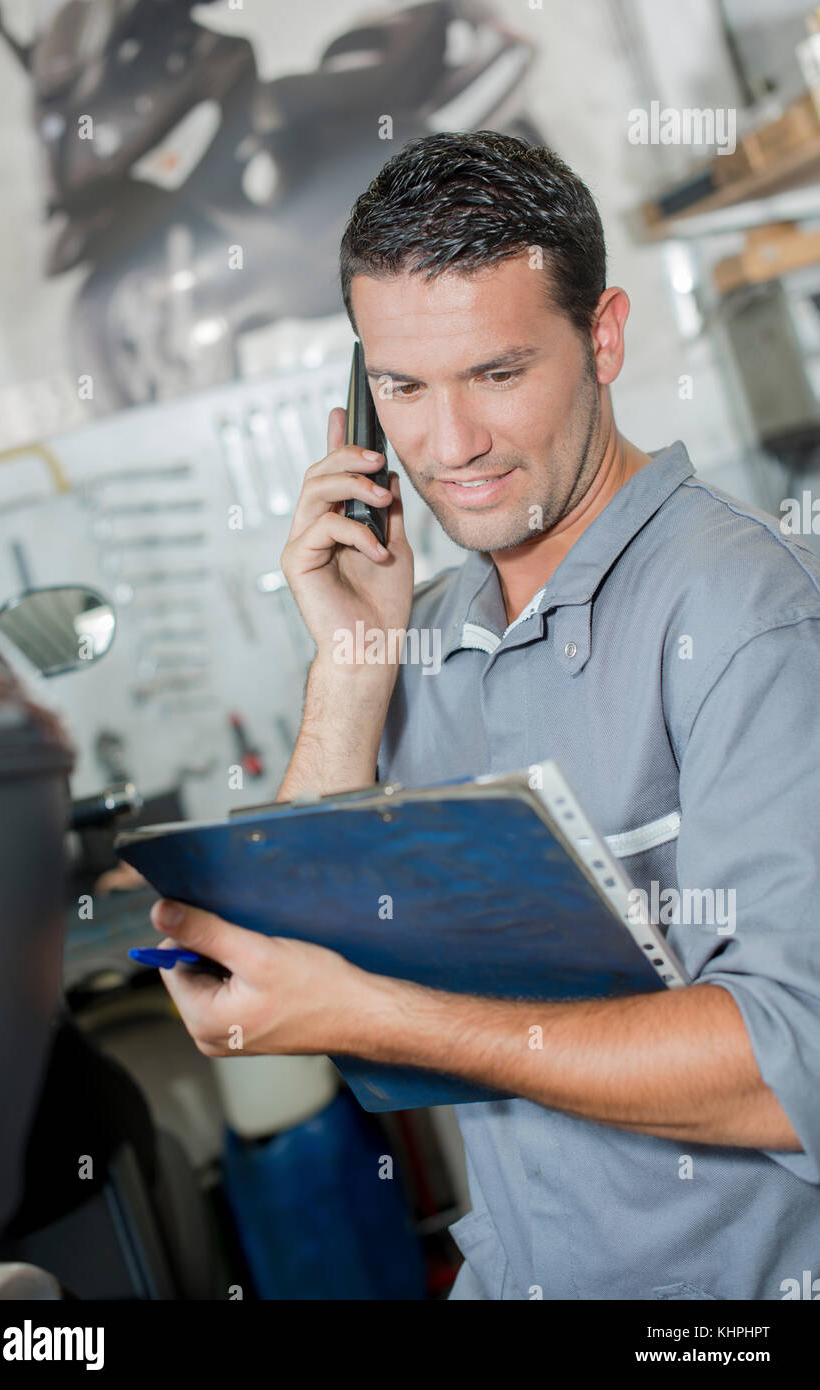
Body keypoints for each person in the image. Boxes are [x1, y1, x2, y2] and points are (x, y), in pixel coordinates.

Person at [150, 131, 820, 1300]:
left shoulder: (745, 611)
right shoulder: (426, 632)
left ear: (603, 336)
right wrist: (354, 662)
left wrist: (391, 1016)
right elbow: (288, 971)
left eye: (497, 375)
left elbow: (787, 1068)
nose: (448, 446)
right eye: (403, 388)